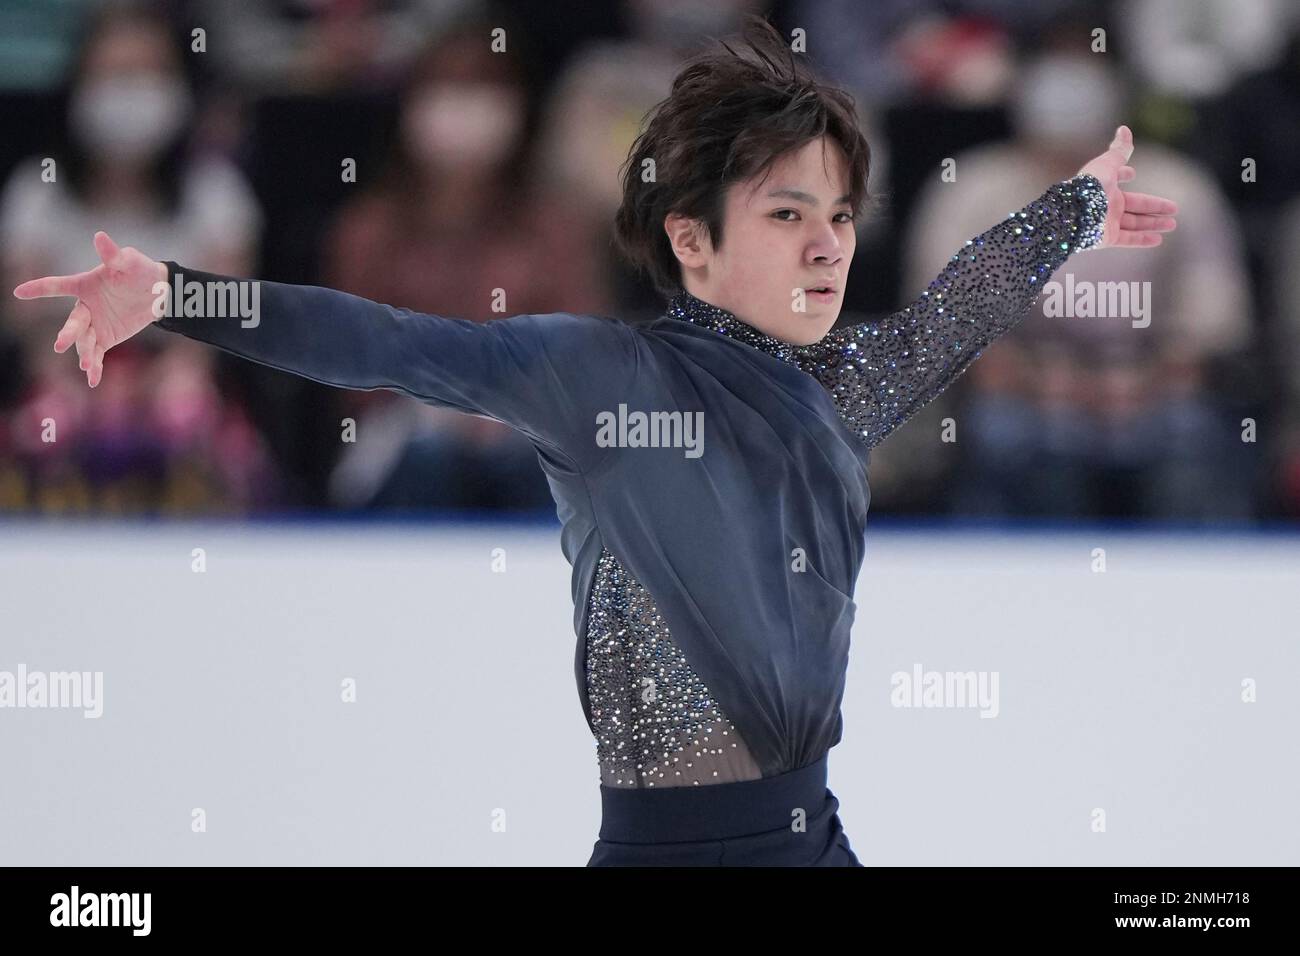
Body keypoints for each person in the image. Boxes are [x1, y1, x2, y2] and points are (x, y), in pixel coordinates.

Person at [11, 16, 1176, 866]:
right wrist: (176, 294)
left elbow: (952, 308)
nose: (827, 246)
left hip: (812, 843)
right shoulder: (594, 375)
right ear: (692, 242)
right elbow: (382, 341)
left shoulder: (844, 386)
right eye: (785, 214)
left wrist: (1070, 209)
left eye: (835, 216)